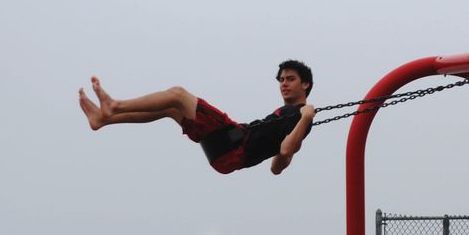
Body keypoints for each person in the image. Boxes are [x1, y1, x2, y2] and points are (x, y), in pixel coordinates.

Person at [78, 60, 316, 175]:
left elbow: (285, 151)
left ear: (305, 83)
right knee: (171, 109)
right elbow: (278, 165)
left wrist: (305, 118)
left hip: (234, 145)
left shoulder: (300, 116)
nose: (283, 84)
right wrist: (284, 145)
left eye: (290, 79)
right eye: (281, 79)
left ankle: (115, 105)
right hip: (224, 153)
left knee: (178, 95)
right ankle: (104, 119)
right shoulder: (290, 117)